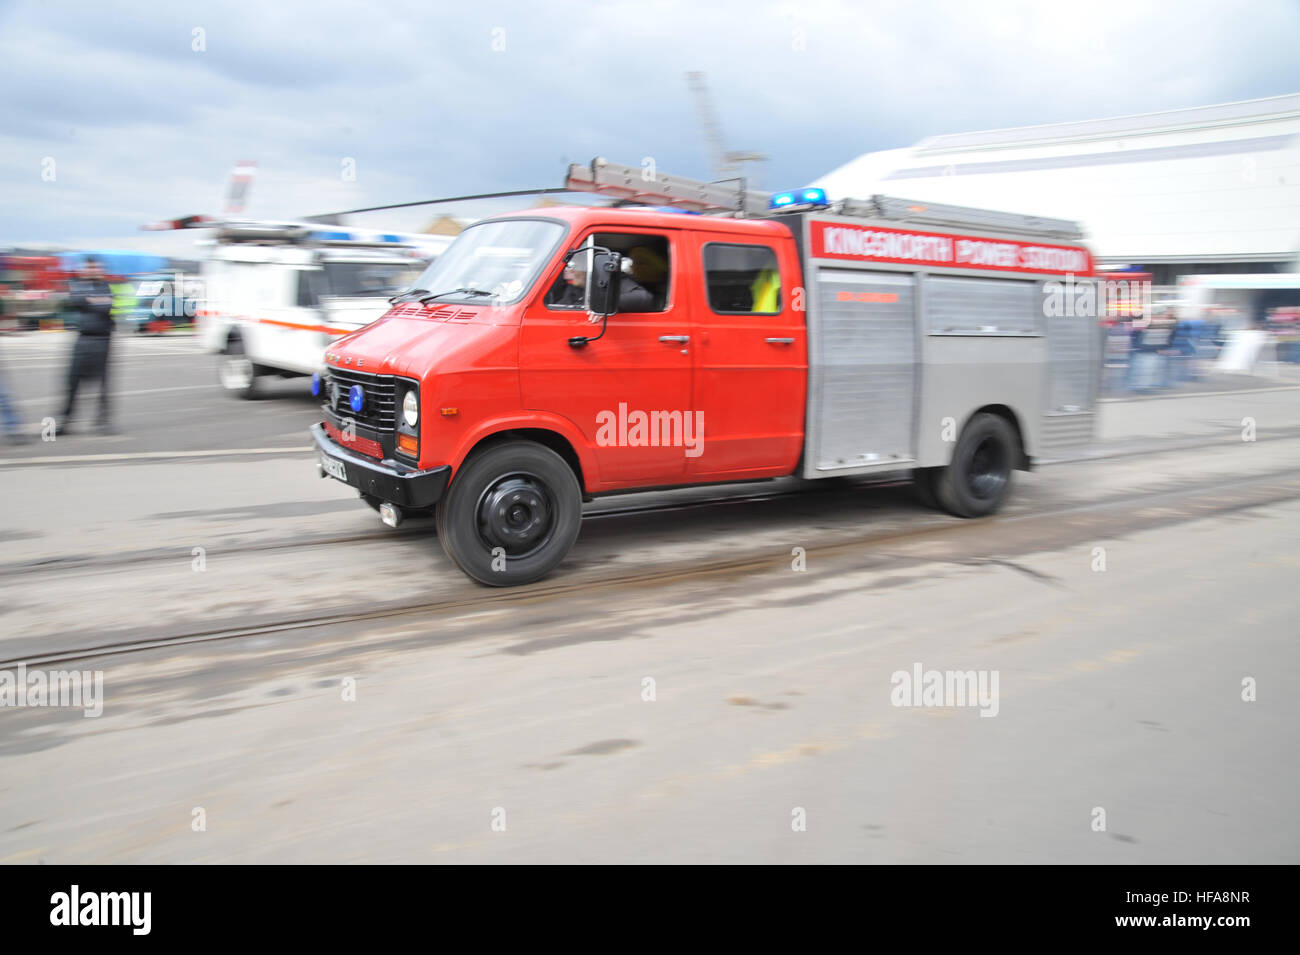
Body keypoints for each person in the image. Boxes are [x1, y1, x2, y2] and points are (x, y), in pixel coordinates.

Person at [58, 257, 117, 435]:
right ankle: (65, 422)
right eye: (89, 268)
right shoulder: (79, 286)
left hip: (102, 339)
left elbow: (106, 306)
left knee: (103, 383)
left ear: (101, 270)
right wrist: (92, 300)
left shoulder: (106, 287)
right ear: (85, 270)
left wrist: (90, 300)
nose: (92, 270)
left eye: (95, 268)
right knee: (72, 381)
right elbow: (75, 300)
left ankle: (103, 421)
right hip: (83, 339)